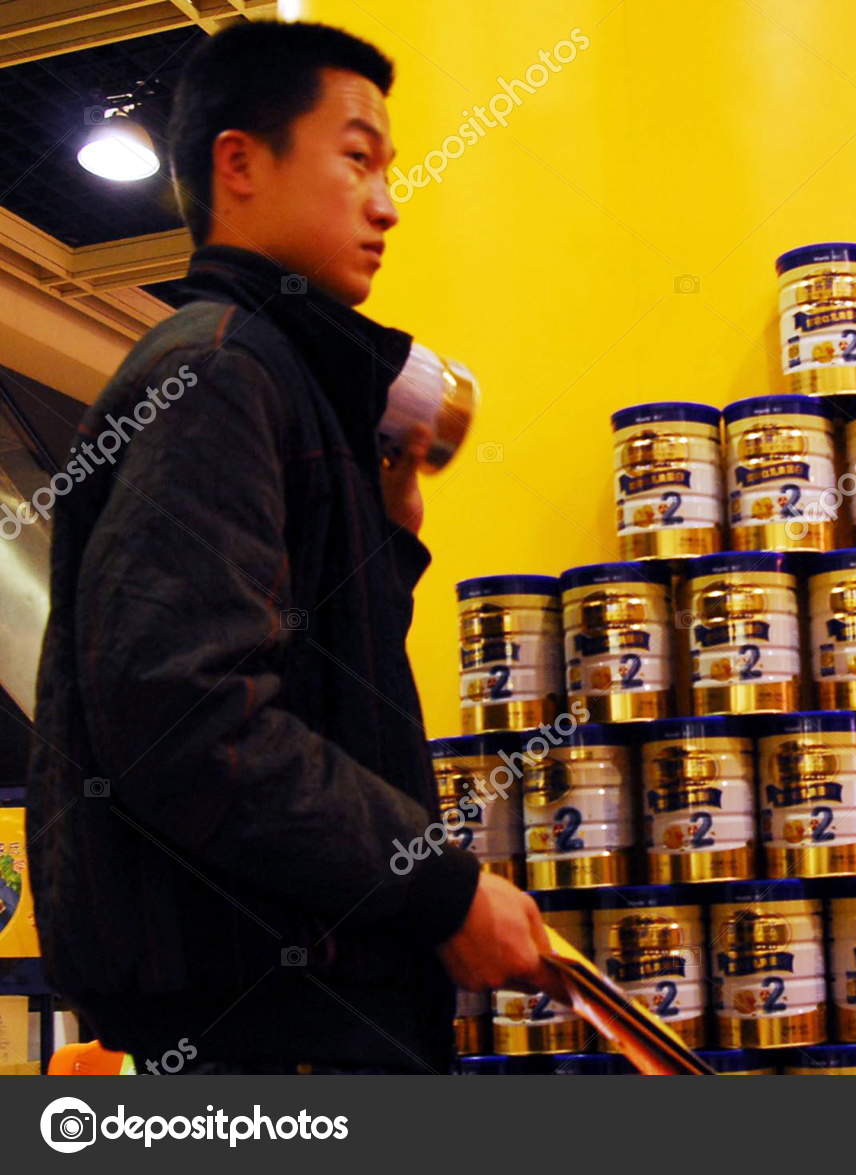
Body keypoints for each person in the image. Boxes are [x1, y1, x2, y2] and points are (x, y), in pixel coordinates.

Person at [26, 21, 563, 1075]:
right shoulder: (221, 371)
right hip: (269, 1029)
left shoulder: (275, 375)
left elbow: (315, 687)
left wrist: (389, 521)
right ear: (240, 163)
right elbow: (189, 714)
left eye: (389, 167)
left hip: (298, 1007)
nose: (387, 201)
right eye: (355, 157)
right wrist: (441, 885)